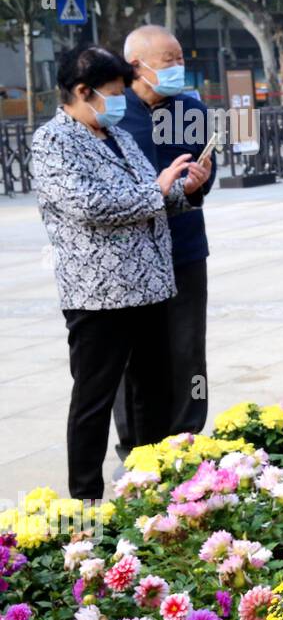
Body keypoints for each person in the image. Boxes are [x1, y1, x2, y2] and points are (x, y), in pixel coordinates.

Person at [30, 45, 210, 500]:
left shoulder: (117, 135)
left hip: (150, 287)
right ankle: (86, 498)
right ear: (82, 92)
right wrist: (157, 188)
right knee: (95, 397)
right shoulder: (53, 141)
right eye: (110, 94)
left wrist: (186, 189)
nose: (117, 103)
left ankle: (146, 481)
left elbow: (147, 198)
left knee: (153, 390)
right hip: (100, 295)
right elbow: (91, 206)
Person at [116, 24, 217, 450]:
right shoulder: (114, 113)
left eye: (181, 58)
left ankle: (187, 437)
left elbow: (199, 183)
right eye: (169, 60)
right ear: (136, 65)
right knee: (131, 355)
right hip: (130, 255)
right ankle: (135, 445)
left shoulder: (190, 109)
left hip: (184, 246)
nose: (179, 66)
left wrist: (199, 183)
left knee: (187, 346)